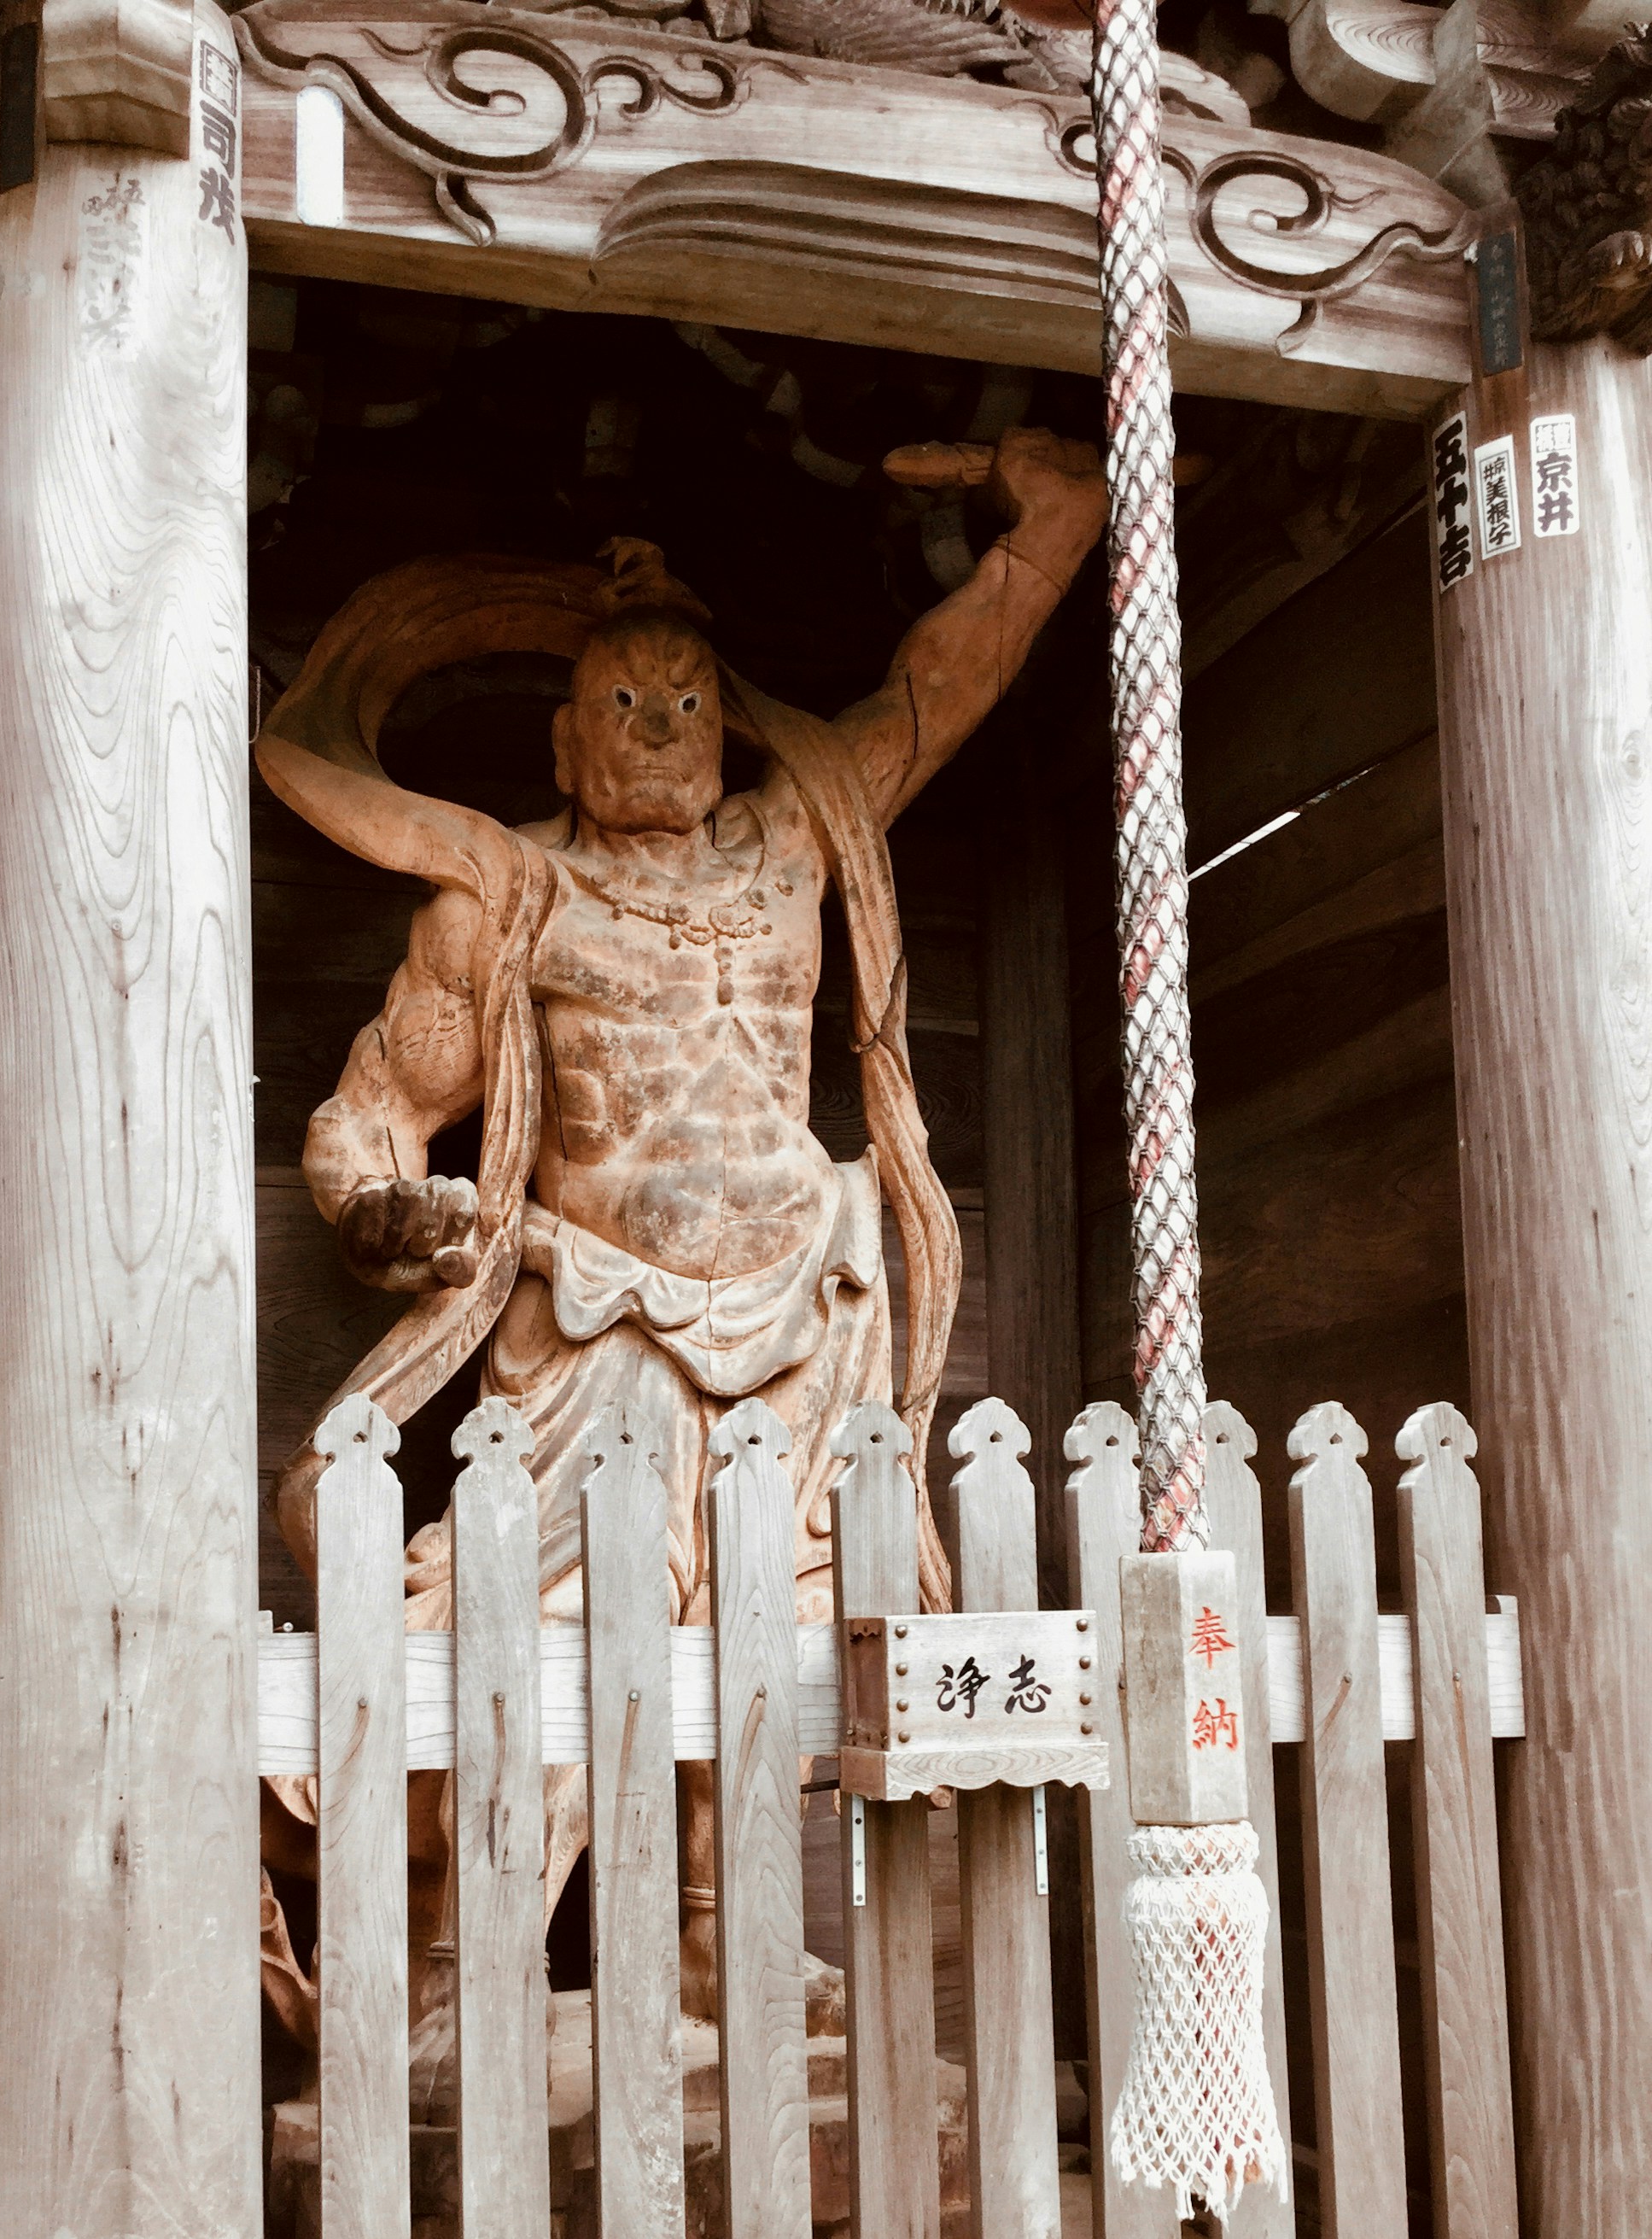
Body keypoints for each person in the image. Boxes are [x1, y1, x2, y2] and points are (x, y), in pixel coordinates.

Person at [257, 425, 1109, 2024]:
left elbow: (931, 694)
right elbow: (372, 1111)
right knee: (543, 1626)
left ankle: (724, 1933)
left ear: (732, 722)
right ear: (564, 743)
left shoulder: (798, 843)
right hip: (598, 1326)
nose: (660, 727)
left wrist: (1047, 535)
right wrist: (383, 1211)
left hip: (802, 1311)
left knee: (773, 1624)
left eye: (690, 700)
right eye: (623, 704)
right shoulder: (506, 895)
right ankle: (460, 1970)